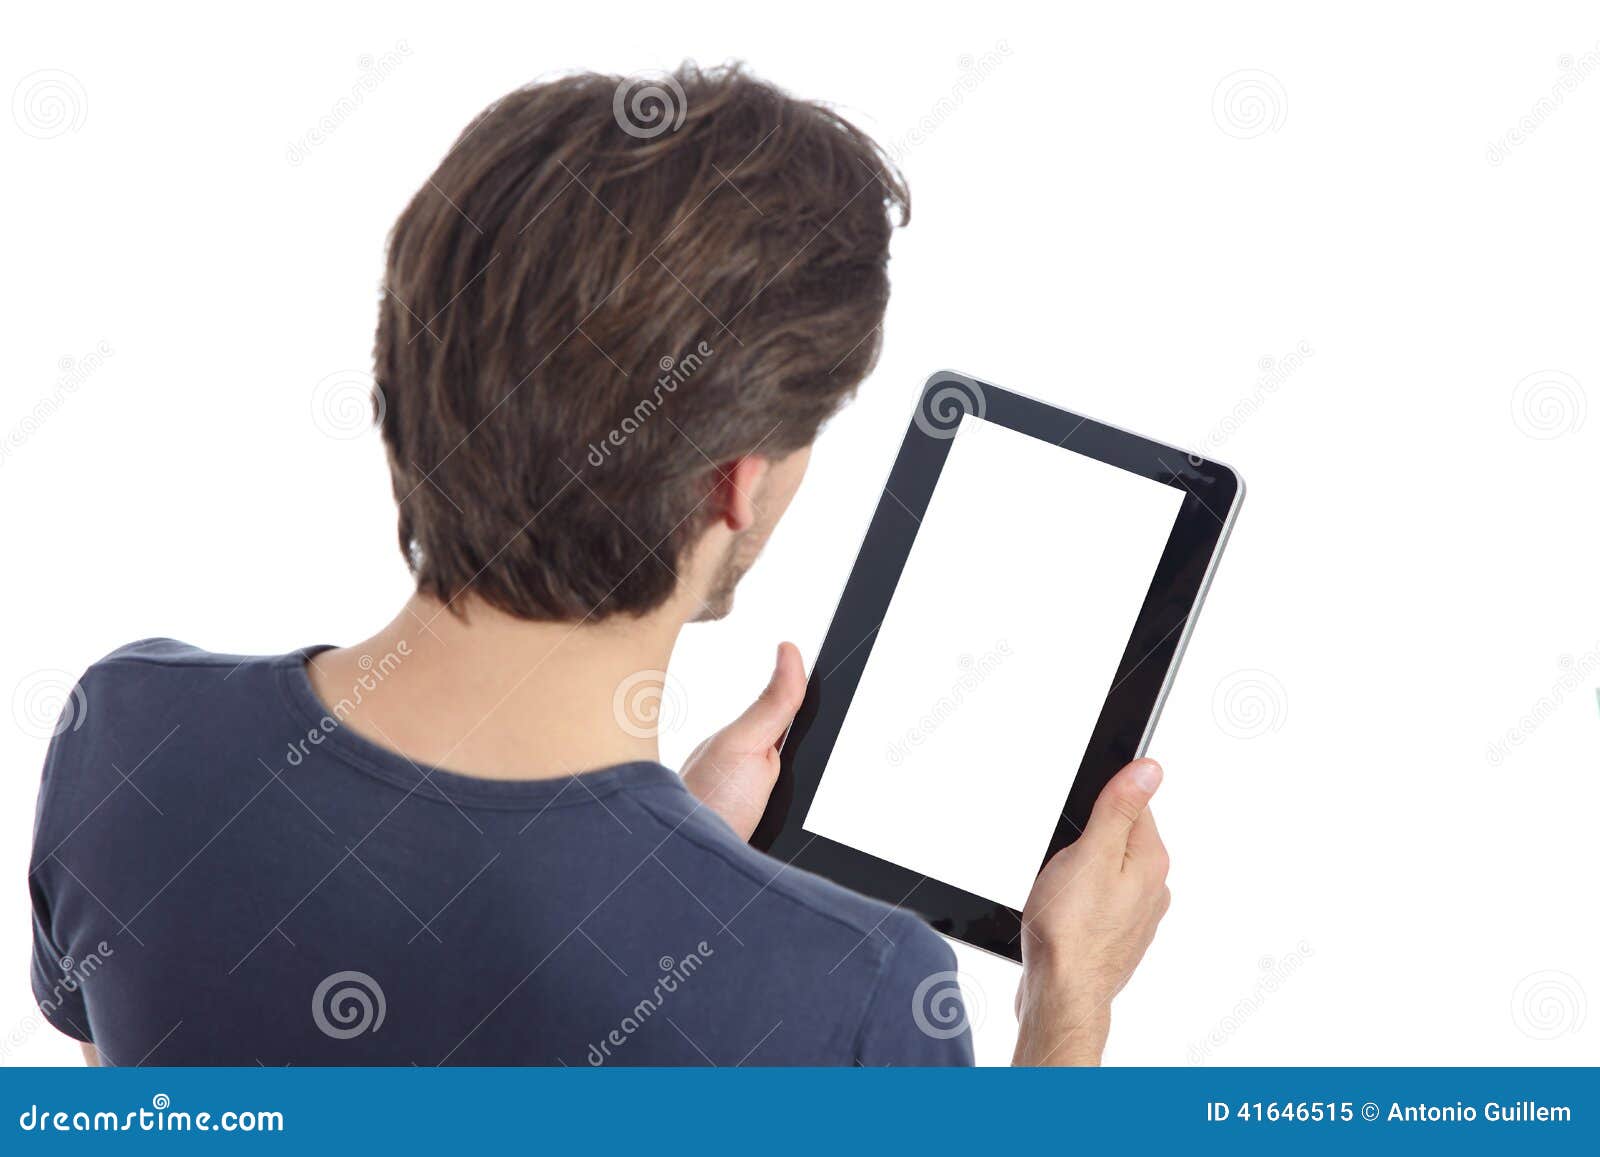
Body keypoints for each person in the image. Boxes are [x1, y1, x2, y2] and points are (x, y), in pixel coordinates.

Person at [28, 64, 1169, 1066]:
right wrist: (1067, 1006)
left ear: (403, 371)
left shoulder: (125, 737)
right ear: (738, 481)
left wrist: (676, 874)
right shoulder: (855, 992)